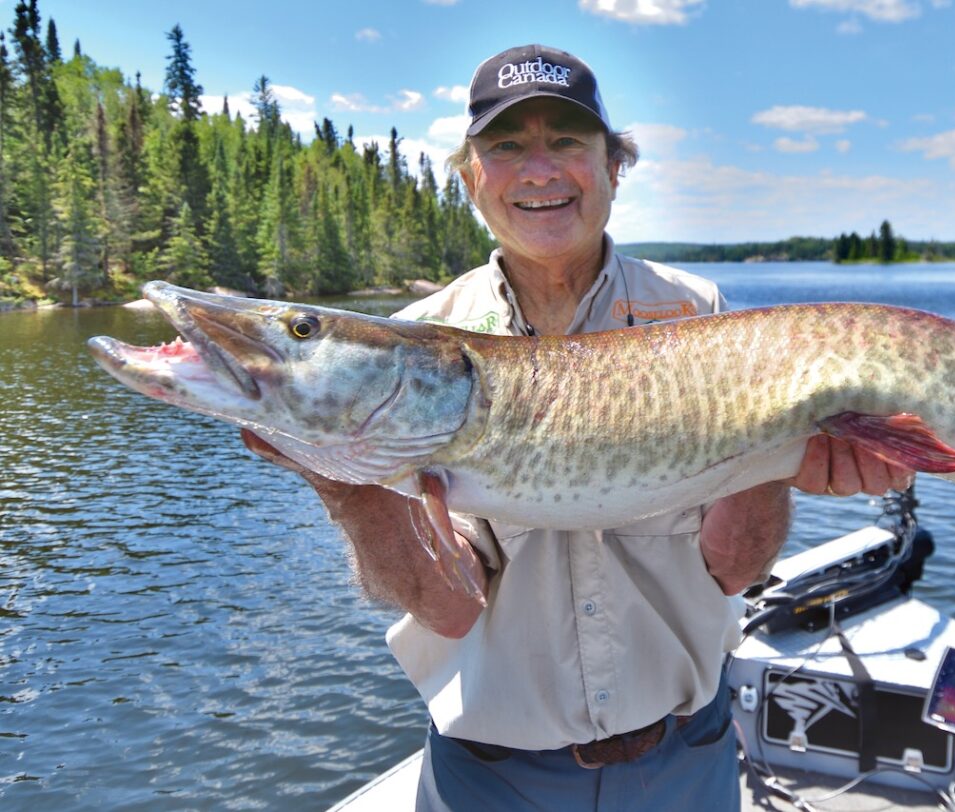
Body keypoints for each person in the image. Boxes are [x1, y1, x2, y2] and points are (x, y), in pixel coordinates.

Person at [243, 44, 912, 812]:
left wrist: (779, 458)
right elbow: (448, 606)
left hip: (685, 758)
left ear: (614, 166)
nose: (539, 170)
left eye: (567, 142)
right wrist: (349, 487)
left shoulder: (699, 316)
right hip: (490, 781)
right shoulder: (416, 348)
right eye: (505, 147)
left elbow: (733, 570)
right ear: (470, 178)